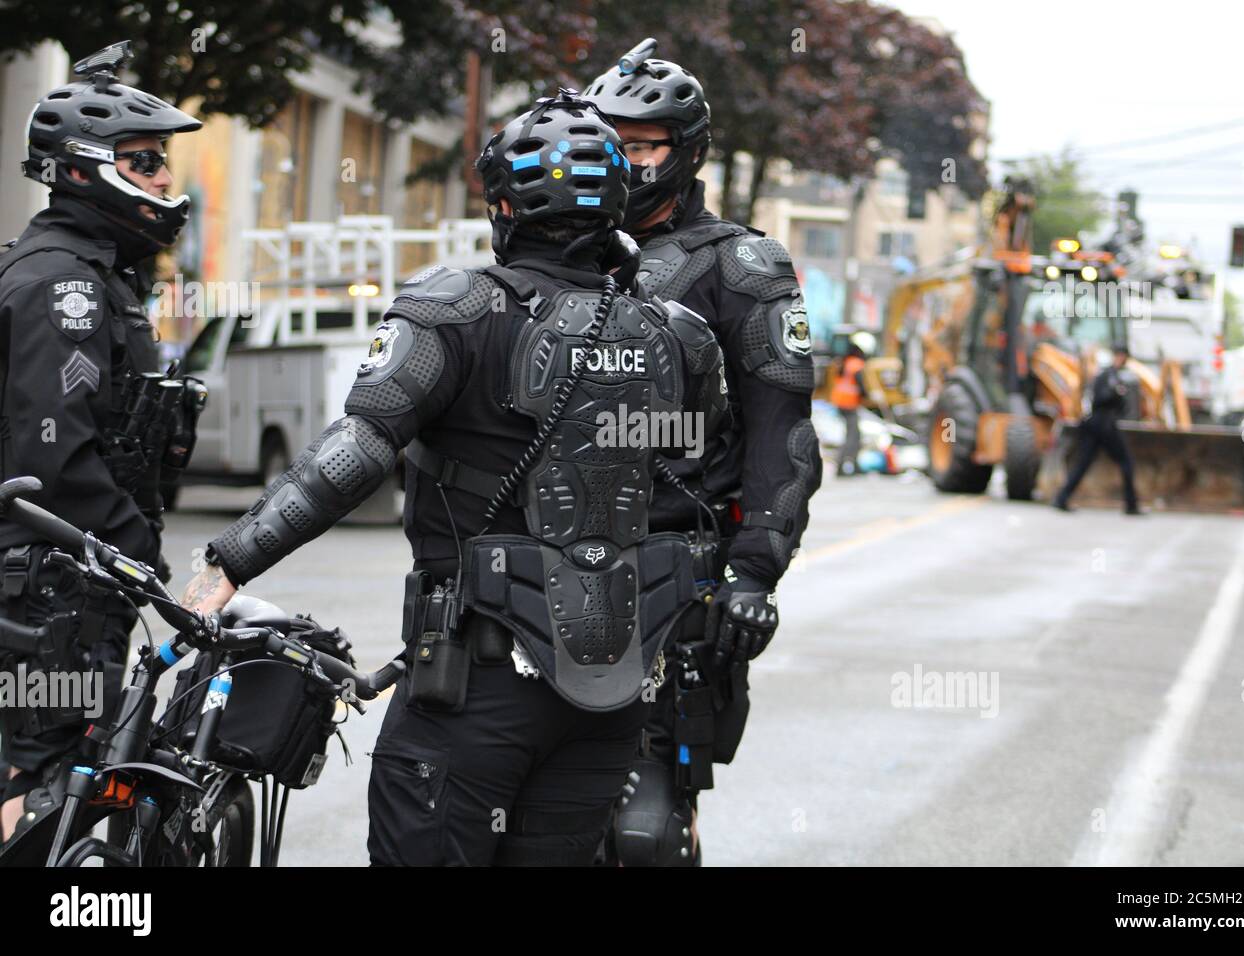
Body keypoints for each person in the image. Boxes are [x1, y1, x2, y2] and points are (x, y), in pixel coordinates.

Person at [180, 90, 729, 866]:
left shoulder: (454, 310)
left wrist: (227, 564)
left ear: (504, 204)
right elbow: (692, 476)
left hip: (472, 689)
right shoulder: (680, 338)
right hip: (606, 693)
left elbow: (353, 456)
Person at [583, 39, 822, 865]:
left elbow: (782, 432)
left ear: (683, 152)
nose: (621, 157)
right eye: (606, 136)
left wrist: (754, 572)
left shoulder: (743, 266)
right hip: (541, 574)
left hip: (678, 579)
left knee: (643, 832)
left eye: (640, 142)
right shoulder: (552, 248)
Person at [0, 41, 202, 843]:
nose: (162, 179)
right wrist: (137, 551)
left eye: (161, 162)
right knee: (38, 785)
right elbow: (55, 459)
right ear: (84, 167)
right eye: (145, 161)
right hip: (51, 589)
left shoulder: (89, 270)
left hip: (68, 587)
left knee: (61, 777)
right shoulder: (65, 284)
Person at [1052, 344, 1142, 514]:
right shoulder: (1107, 376)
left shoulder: (1115, 376)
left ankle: (1062, 497)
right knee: (1125, 462)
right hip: (1103, 425)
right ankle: (1131, 504)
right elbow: (1100, 398)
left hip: (1099, 424)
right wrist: (1116, 394)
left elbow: (1122, 406)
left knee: (1085, 463)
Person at [831, 332, 874, 477]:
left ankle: (853, 464)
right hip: (848, 403)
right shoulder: (857, 364)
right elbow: (861, 386)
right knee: (852, 436)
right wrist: (869, 397)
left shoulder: (845, 361)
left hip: (841, 402)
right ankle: (842, 465)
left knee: (854, 434)